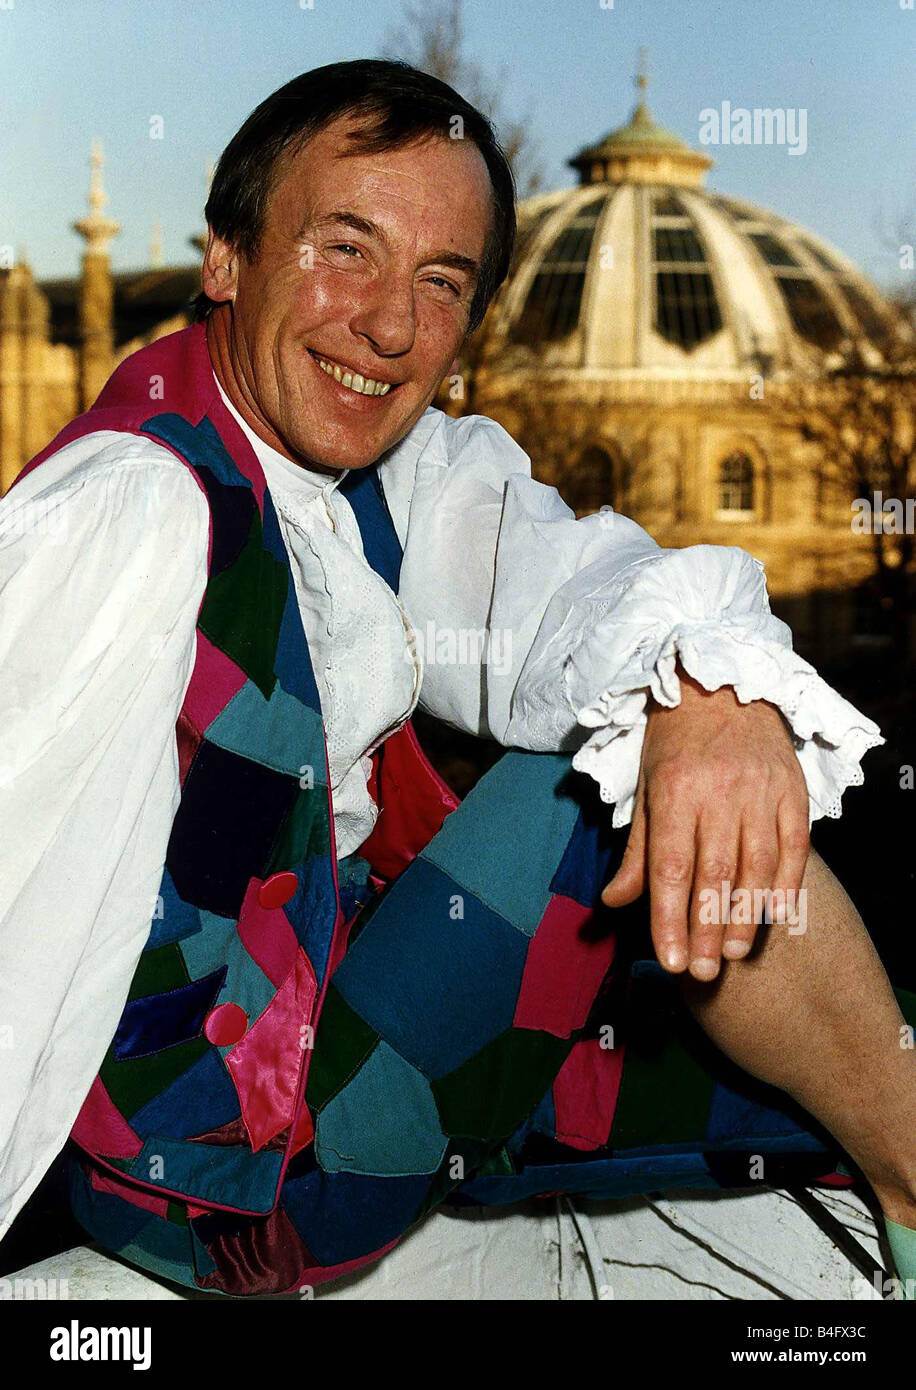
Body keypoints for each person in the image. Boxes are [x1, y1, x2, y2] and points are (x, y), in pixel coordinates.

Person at [1, 58, 915, 1299]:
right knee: (584, 799)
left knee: (783, 1073)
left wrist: (712, 694)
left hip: (330, 1061)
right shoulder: (133, 511)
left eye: (440, 281)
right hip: (222, 1184)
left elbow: (571, 592)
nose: (390, 324)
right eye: (345, 247)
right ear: (223, 258)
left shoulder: (400, 471)